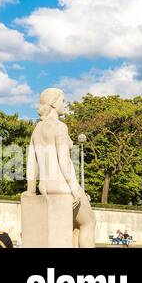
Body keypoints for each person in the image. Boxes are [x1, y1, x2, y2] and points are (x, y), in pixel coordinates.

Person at [24, 88, 96, 247]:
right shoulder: (60, 127)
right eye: (63, 101)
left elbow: (31, 162)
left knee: (75, 226)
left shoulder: (36, 130)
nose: (65, 104)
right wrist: (75, 188)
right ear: (53, 104)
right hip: (63, 186)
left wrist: (30, 190)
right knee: (88, 222)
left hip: (45, 188)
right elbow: (63, 160)